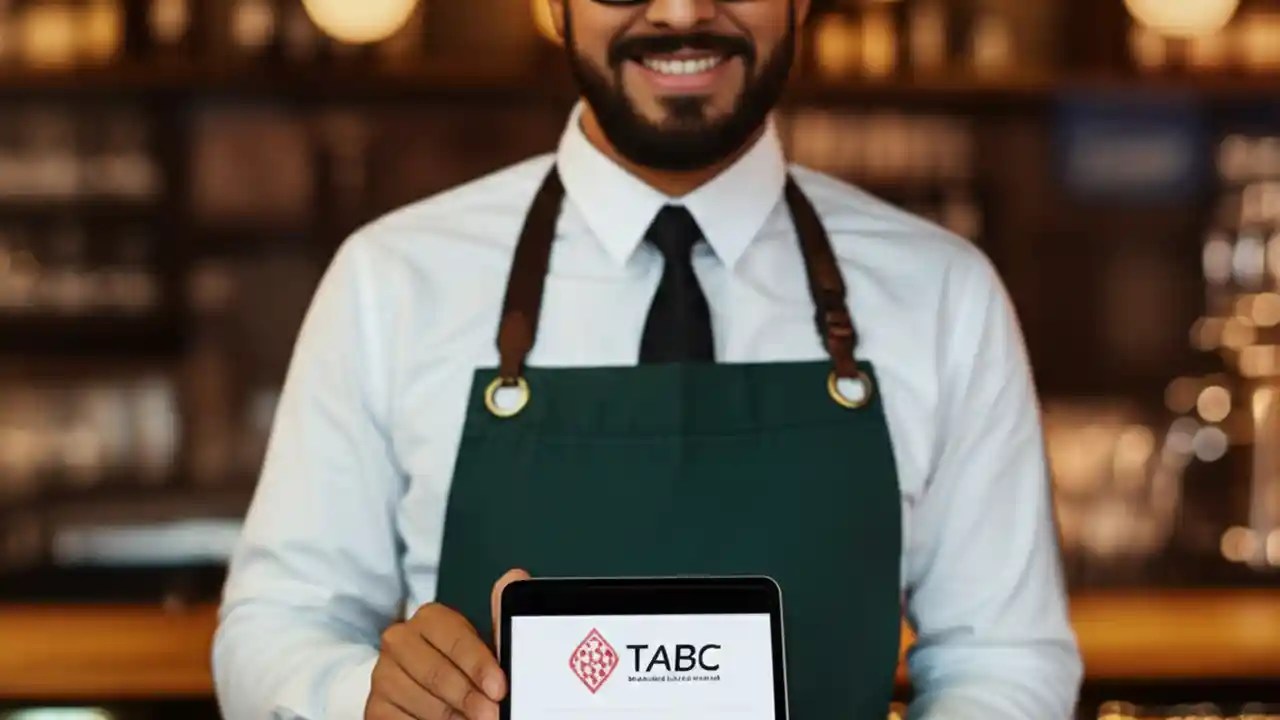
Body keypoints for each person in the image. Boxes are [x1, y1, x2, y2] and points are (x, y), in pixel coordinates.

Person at [212, 0, 1083, 717]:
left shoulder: (943, 296)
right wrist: (364, 695)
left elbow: (1004, 659)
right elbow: (276, 626)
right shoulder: (393, 281)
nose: (680, 12)